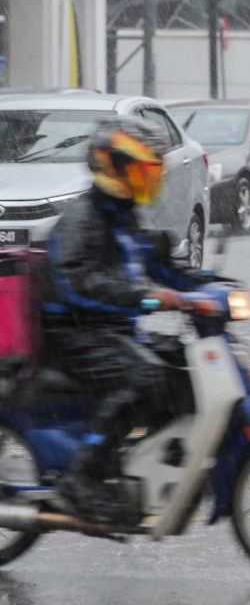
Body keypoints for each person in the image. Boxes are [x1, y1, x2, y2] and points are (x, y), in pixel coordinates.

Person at [39, 116, 206, 522]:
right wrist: (146, 298)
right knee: (144, 379)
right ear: (113, 166)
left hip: (107, 331)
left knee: (180, 370)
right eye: (141, 169)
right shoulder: (84, 219)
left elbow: (156, 262)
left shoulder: (122, 215)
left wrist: (209, 287)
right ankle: (82, 476)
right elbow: (80, 283)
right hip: (72, 335)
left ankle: (132, 460)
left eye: (152, 170)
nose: (148, 179)